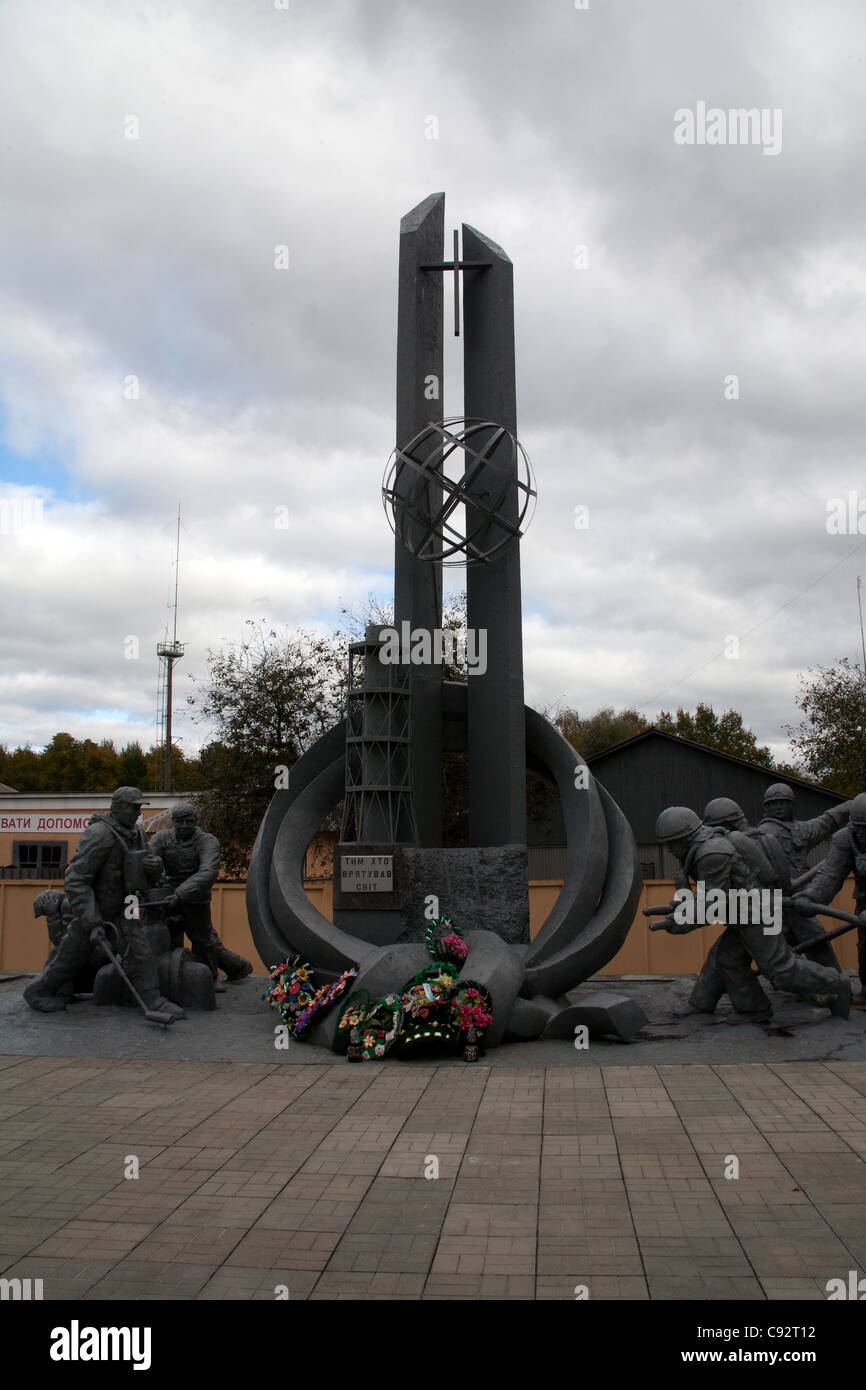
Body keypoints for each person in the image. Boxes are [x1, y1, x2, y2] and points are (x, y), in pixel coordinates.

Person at [654, 806, 850, 1021]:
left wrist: (681, 923)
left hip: (756, 915)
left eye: (670, 843)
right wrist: (682, 896)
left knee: (781, 969)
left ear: (685, 837)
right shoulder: (699, 850)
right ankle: (753, 1009)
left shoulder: (713, 853)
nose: (669, 849)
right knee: (728, 960)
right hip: (742, 915)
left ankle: (836, 984)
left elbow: (713, 905)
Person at [23, 787, 184, 1021]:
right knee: (72, 954)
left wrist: (154, 866)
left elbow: (147, 870)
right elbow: (76, 879)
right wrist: (91, 920)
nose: (137, 813)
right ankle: (38, 991)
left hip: (127, 903)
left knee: (140, 949)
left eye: (140, 808)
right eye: (133, 808)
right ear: (117, 807)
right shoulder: (100, 834)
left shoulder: (135, 834)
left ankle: (153, 999)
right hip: (96, 908)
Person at [148, 802, 252, 982]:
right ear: (173, 821)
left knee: (203, 940)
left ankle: (210, 980)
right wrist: (154, 869)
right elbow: (151, 861)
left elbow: (208, 872)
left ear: (196, 821)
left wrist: (180, 894)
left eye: (189, 821)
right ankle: (164, 978)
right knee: (161, 935)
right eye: (180, 821)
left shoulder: (207, 841)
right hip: (166, 897)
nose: (184, 826)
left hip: (195, 897)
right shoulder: (161, 838)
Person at [795, 792, 866, 996]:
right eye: (859, 828)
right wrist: (810, 898)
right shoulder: (846, 839)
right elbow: (831, 874)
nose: (862, 834)